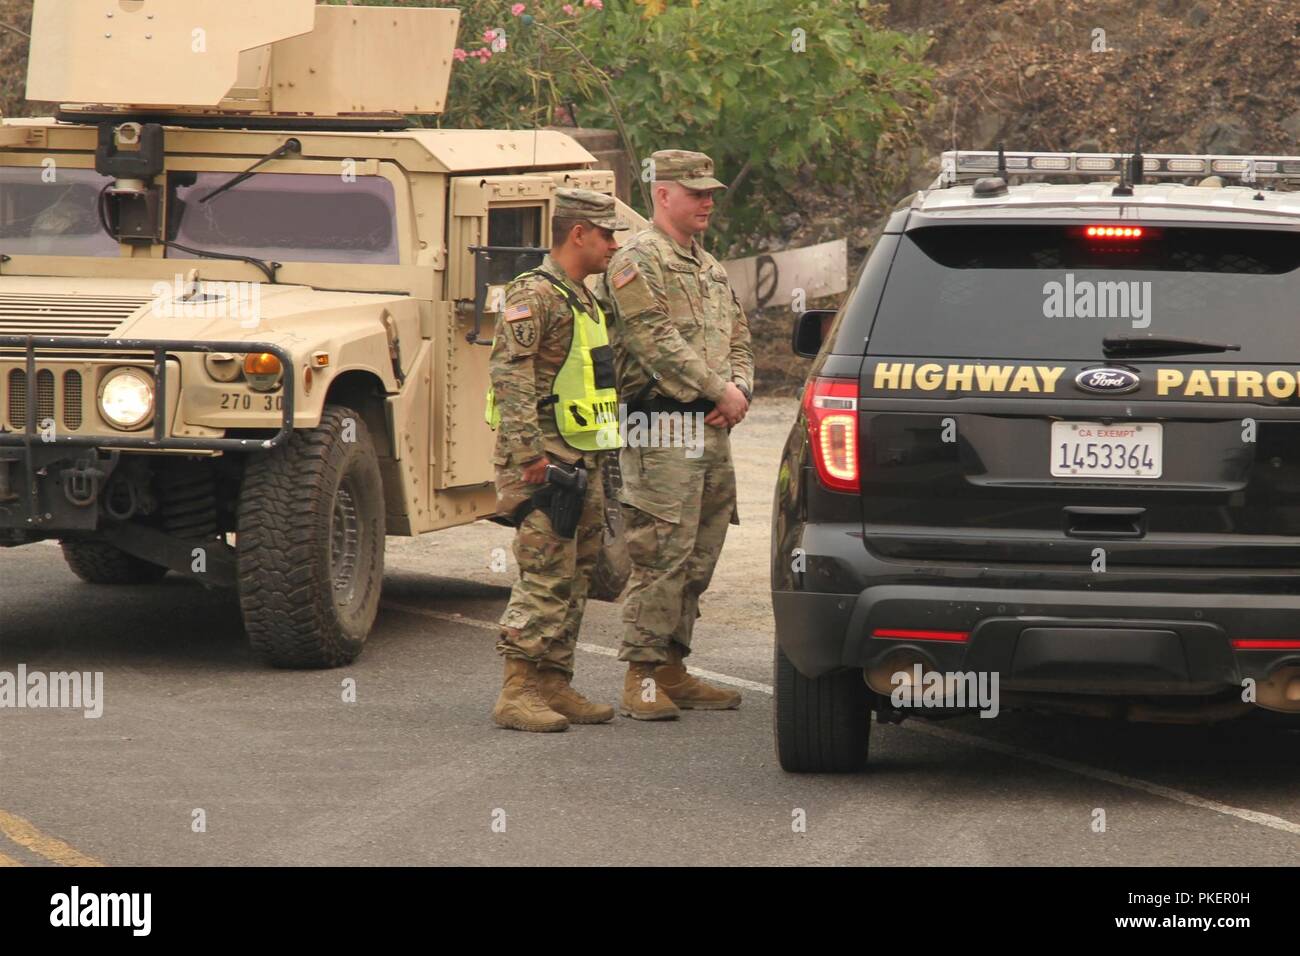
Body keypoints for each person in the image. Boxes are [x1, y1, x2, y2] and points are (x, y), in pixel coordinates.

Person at [601, 149, 754, 721]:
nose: (707, 201)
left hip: (711, 428)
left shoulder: (708, 266)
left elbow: (739, 336)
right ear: (662, 194)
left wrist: (737, 388)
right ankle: (639, 675)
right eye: (695, 192)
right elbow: (653, 340)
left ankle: (672, 667)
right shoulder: (638, 260)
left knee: (699, 555)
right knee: (660, 554)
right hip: (660, 421)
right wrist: (720, 391)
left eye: (711, 191)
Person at [486, 188, 625, 732]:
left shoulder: (582, 297)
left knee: (577, 574)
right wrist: (528, 455)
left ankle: (553, 683)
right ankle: (516, 690)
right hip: (545, 460)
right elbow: (511, 374)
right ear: (578, 234)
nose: (614, 245)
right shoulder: (534, 295)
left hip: (582, 457)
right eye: (608, 234)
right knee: (544, 575)